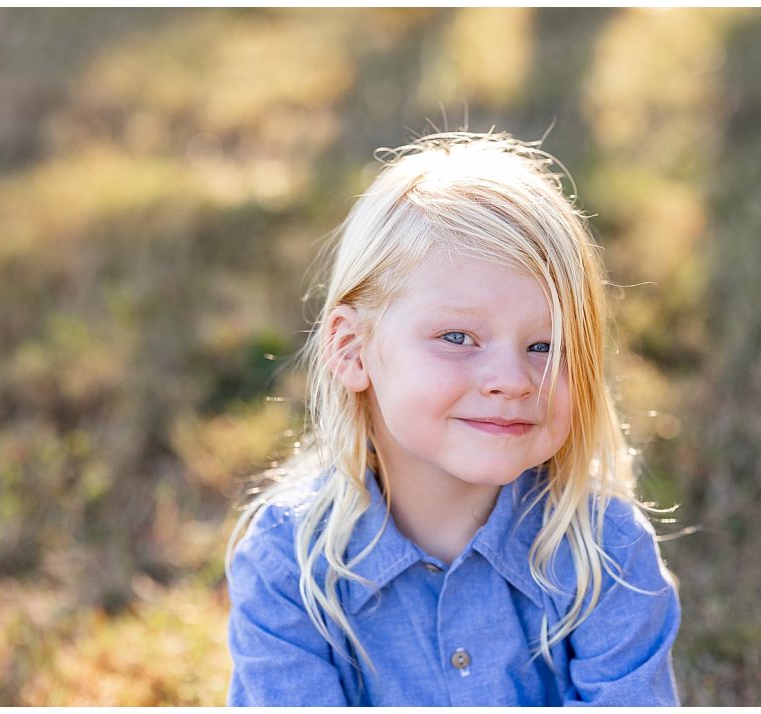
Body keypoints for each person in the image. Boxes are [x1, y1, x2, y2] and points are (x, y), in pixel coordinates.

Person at [226, 133, 680, 705]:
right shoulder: (289, 564)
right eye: (458, 337)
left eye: (546, 345)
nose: (512, 379)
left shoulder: (606, 556)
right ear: (352, 348)